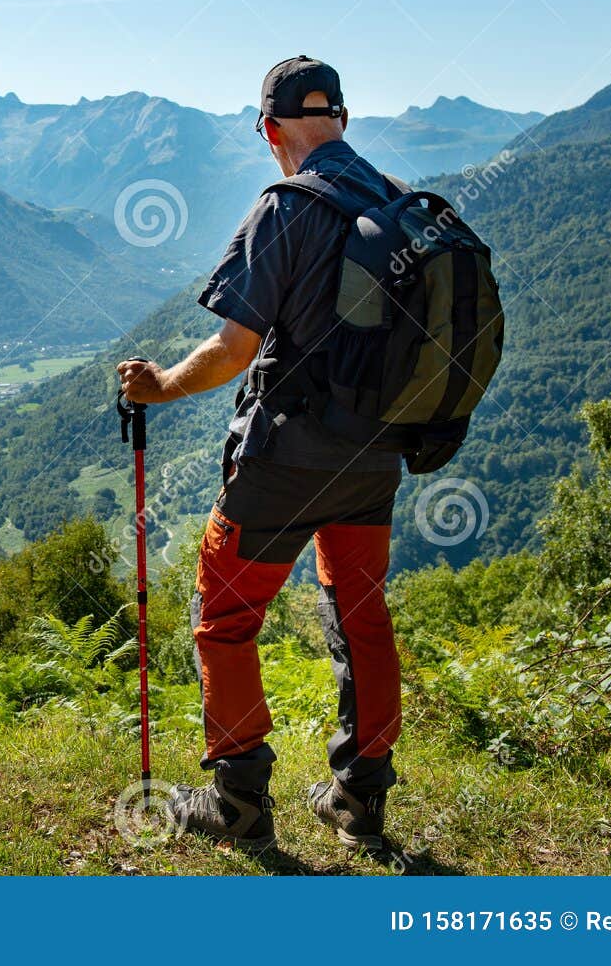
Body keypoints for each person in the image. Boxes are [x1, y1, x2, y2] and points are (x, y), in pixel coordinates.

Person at [117, 55, 402, 854]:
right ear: (341, 119)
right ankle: (358, 799)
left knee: (225, 618)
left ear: (271, 131)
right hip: (376, 456)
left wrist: (160, 387)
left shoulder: (287, 206)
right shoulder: (394, 203)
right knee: (361, 617)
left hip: (285, 459)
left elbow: (234, 346)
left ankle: (237, 801)